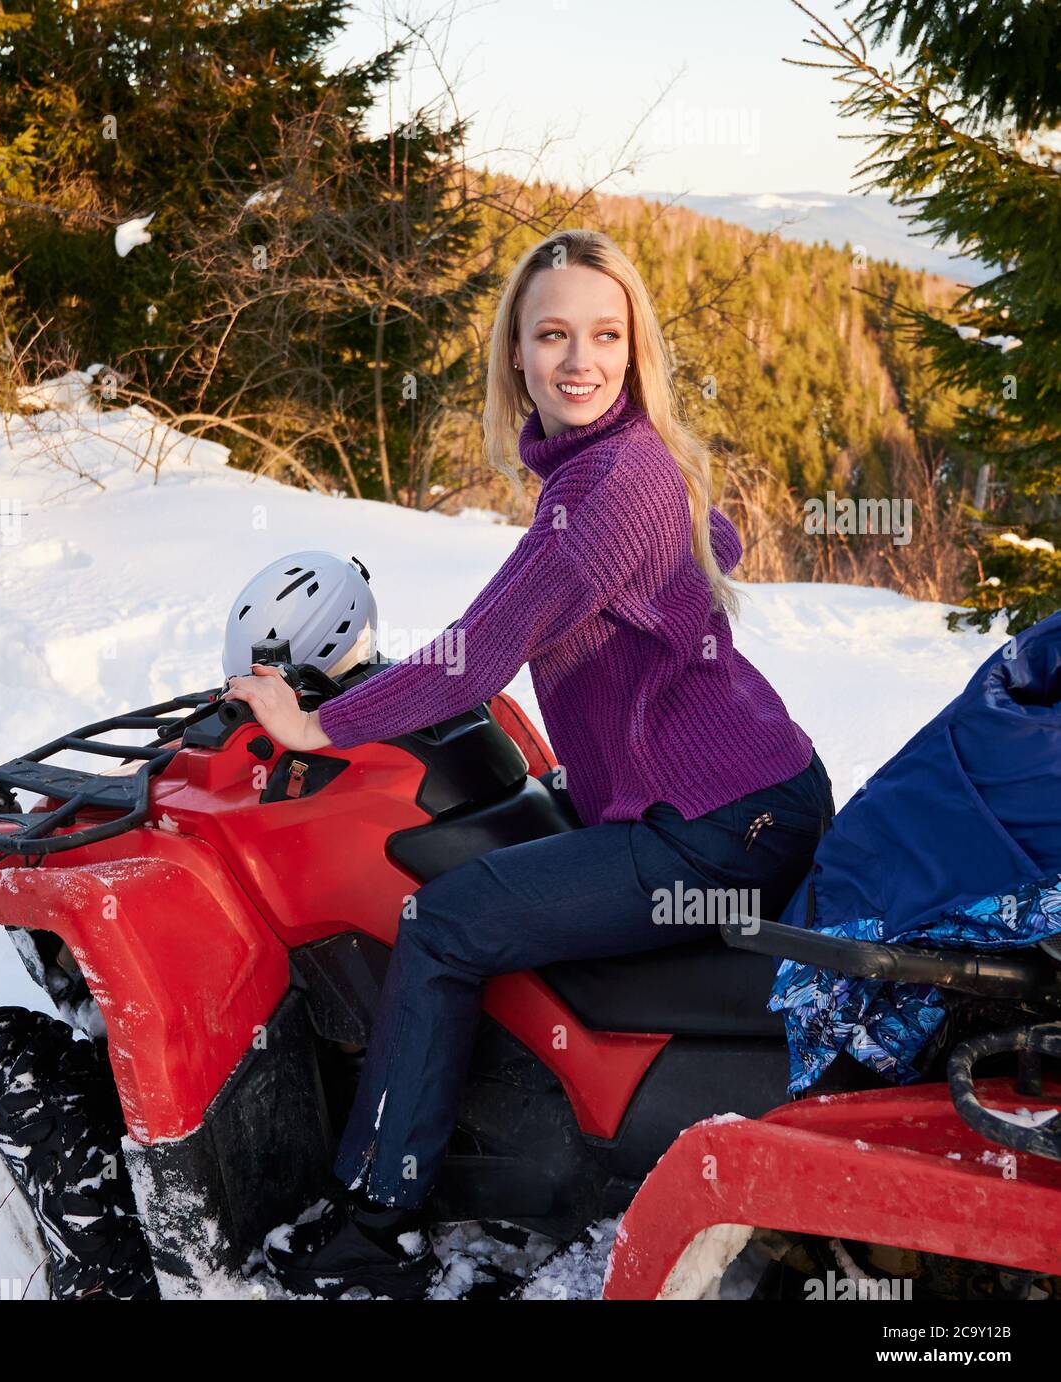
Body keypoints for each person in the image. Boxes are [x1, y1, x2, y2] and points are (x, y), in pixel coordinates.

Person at [224, 228, 835, 1298]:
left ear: (635, 347)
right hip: (741, 791)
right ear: (515, 351)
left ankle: (374, 1219)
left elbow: (475, 654)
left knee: (445, 921)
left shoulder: (602, 495)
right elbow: (712, 547)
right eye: (552, 334)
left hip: (711, 825)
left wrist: (320, 724)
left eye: (605, 334)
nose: (579, 359)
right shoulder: (628, 462)